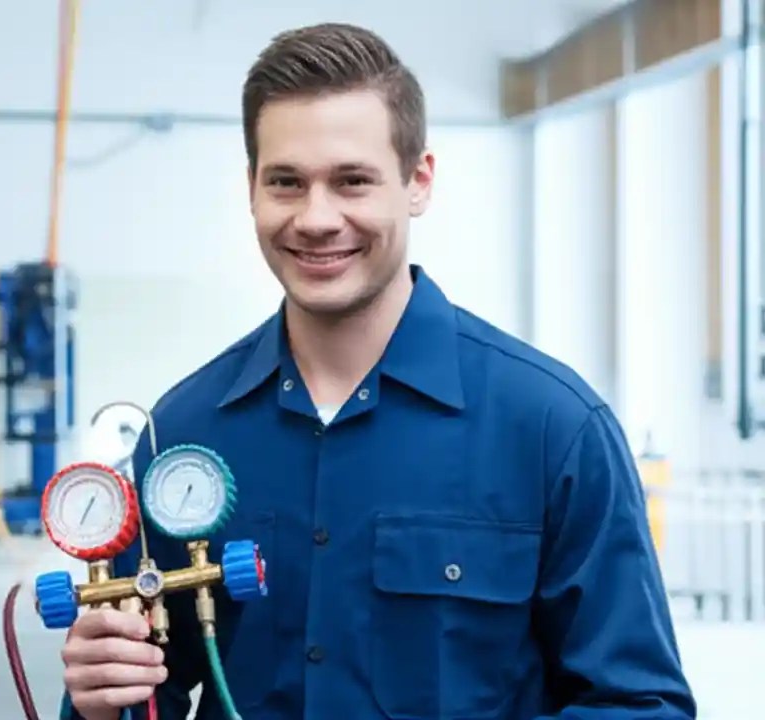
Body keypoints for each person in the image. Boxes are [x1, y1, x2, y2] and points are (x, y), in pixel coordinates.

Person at [58, 22, 696, 720]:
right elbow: (143, 691)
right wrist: (98, 699)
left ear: (417, 181)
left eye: (352, 181)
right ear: (251, 189)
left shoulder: (552, 431)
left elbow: (640, 704)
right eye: (286, 183)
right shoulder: (182, 434)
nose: (316, 217)